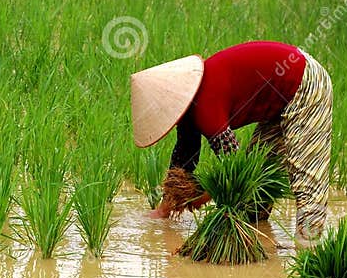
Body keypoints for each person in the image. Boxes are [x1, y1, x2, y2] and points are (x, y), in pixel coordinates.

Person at [129, 41, 333, 248]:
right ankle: (258, 235)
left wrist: (206, 195)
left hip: (305, 82)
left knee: (306, 175)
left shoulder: (206, 106)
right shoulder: (189, 109)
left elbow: (237, 167)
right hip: (281, 96)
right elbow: (185, 154)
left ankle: (308, 249)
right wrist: (165, 208)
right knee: (261, 173)